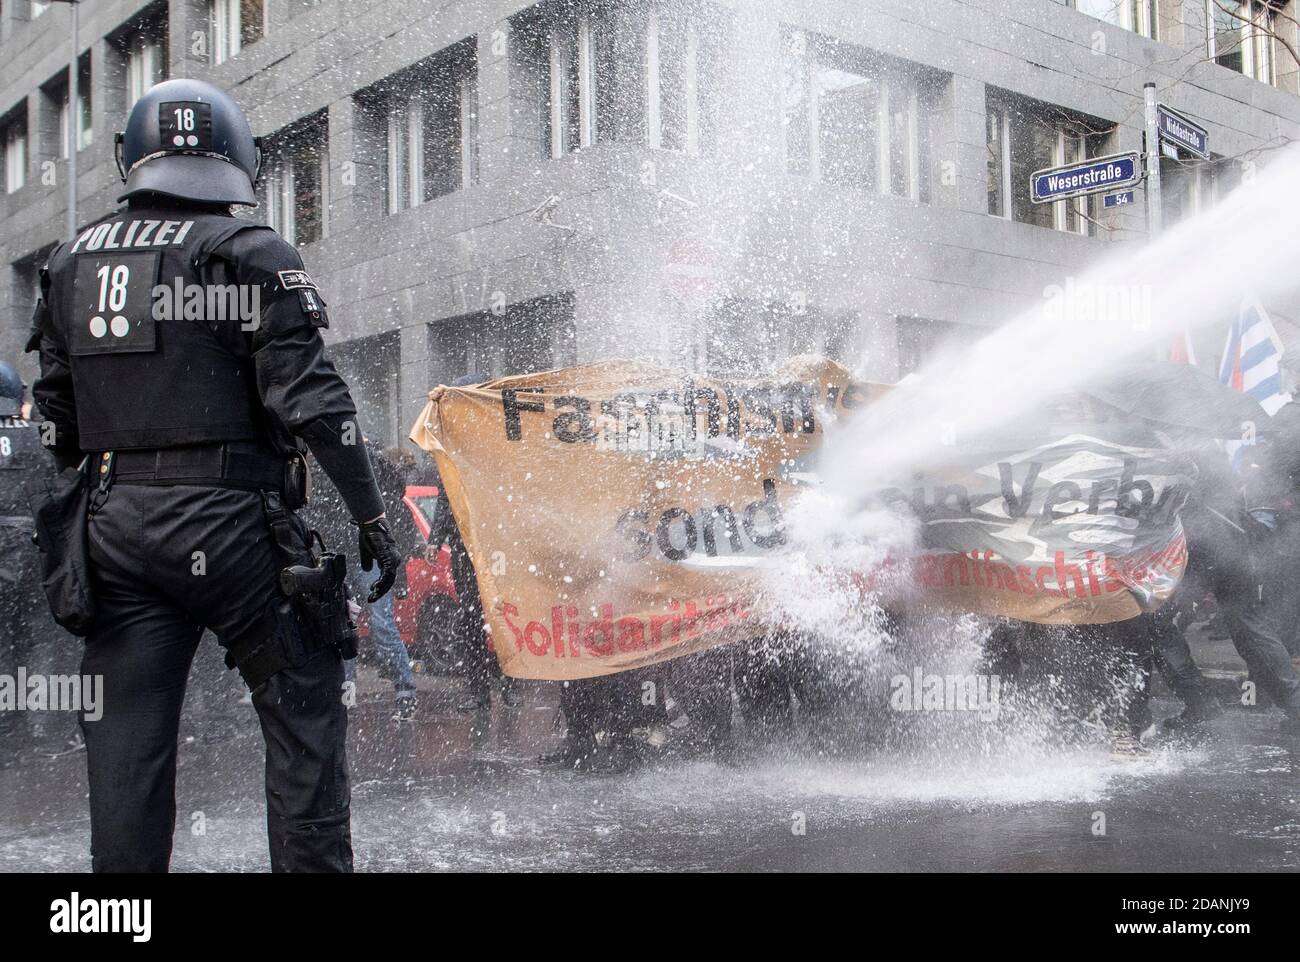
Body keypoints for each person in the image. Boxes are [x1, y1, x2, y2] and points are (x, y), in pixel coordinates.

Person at [26, 79, 402, 872]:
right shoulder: (248, 252)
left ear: (132, 155)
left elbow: (57, 418)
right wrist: (370, 516)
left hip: (116, 535)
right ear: (235, 158)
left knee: (125, 751)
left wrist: (103, 498)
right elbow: (317, 407)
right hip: (235, 528)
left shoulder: (70, 263)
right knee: (304, 713)